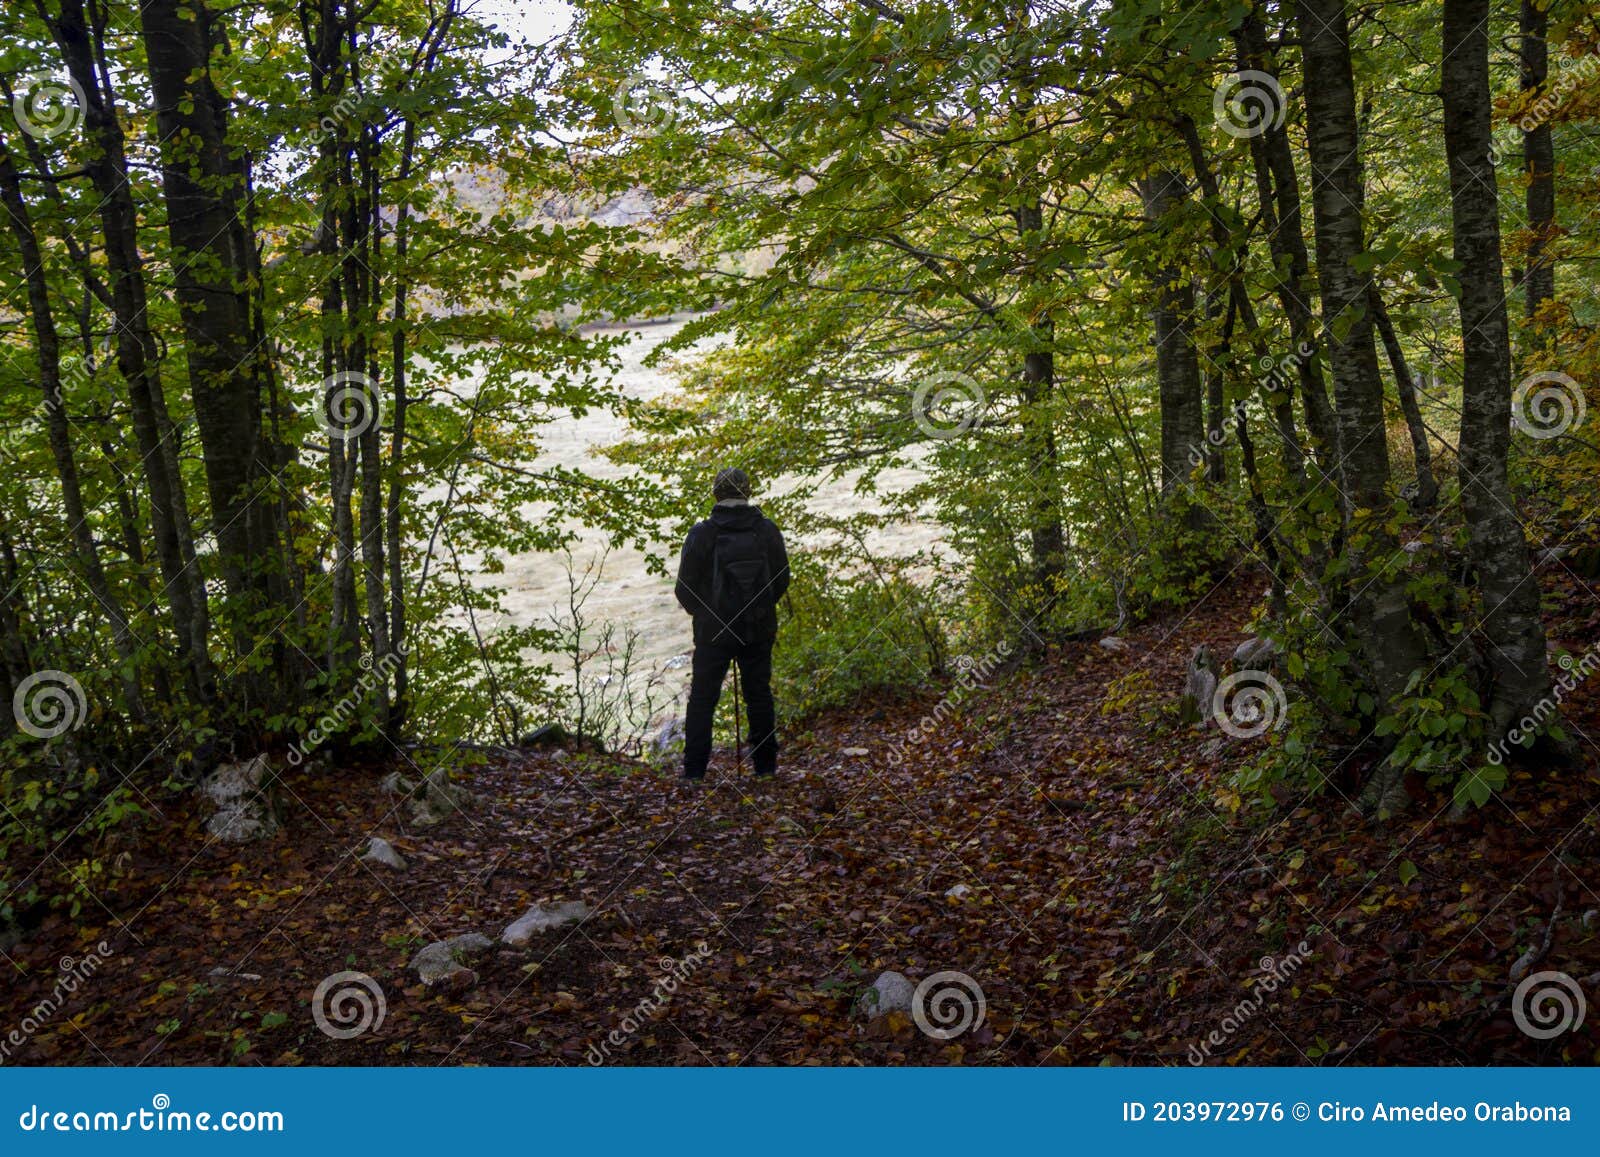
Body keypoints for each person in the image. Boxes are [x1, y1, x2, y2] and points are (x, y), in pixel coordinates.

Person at [674, 467, 790, 781]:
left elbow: (684, 588)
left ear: (716, 494)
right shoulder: (767, 531)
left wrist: (706, 615)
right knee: (759, 697)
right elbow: (782, 580)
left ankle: (694, 773)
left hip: (713, 633)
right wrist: (760, 610)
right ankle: (765, 769)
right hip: (758, 629)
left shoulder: (702, 533)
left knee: (702, 700)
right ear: (747, 493)